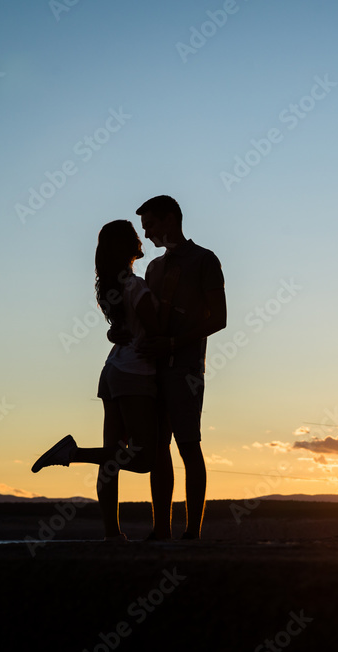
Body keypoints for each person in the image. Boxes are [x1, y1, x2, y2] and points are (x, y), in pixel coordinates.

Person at [31, 219, 163, 541]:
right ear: (127, 245)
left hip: (113, 371)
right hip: (135, 374)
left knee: (112, 455)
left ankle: (111, 534)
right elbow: (156, 331)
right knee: (145, 458)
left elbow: (122, 330)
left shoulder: (111, 287)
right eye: (135, 235)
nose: (139, 238)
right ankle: (72, 454)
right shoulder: (135, 286)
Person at [128, 195, 226, 540]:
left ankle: (193, 533)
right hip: (152, 371)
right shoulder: (153, 269)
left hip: (186, 371)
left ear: (171, 220)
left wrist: (173, 344)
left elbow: (220, 319)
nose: (148, 233)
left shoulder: (205, 260)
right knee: (158, 447)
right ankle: (161, 530)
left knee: (188, 444)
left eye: (151, 225)